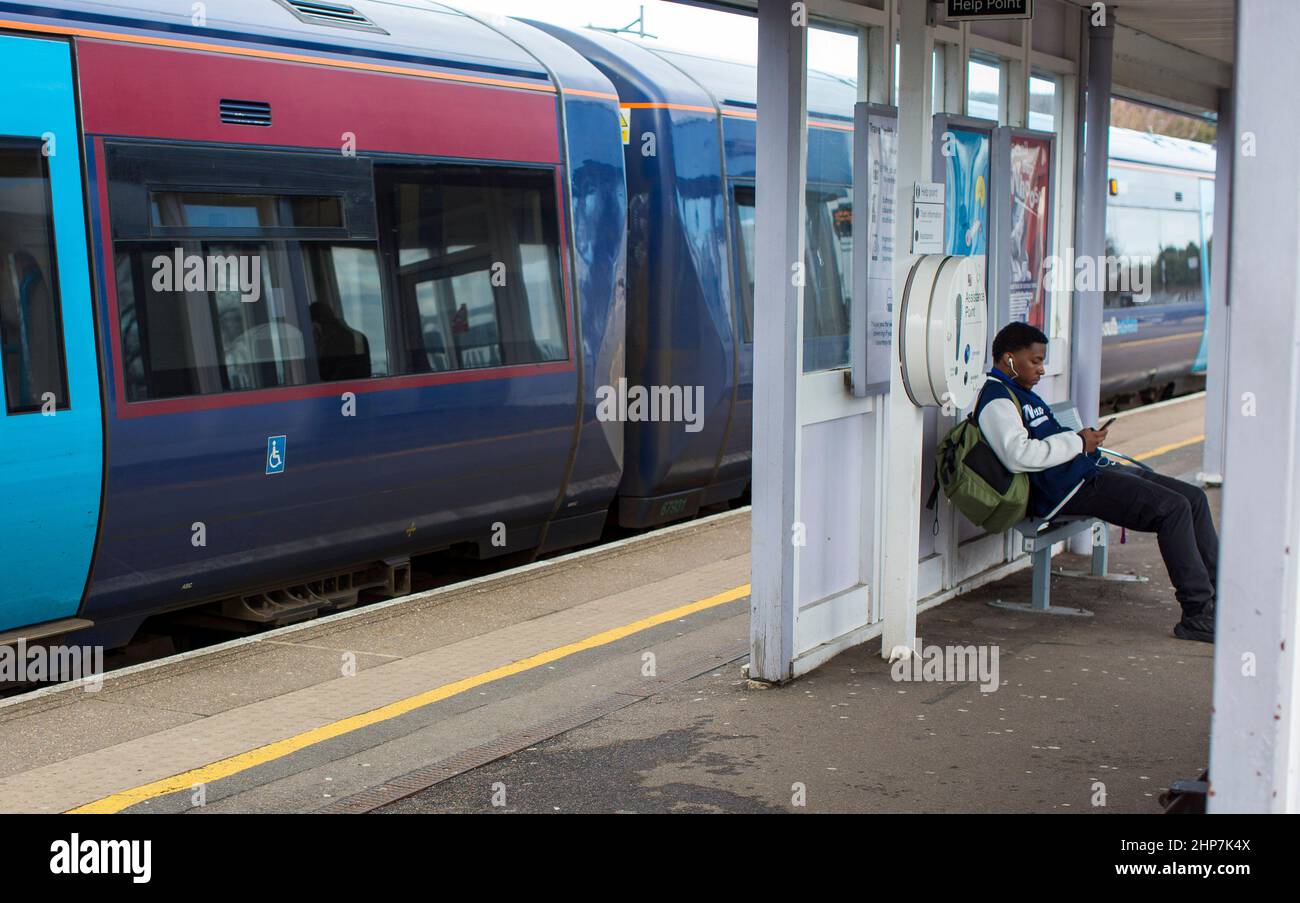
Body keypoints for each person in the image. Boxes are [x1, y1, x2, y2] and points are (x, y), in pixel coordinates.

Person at [975, 322, 1217, 643]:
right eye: (1035, 361)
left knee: (1193, 498)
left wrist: (1085, 442)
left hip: (1085, 473)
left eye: (1043, 361)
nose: (1042, 369)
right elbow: (1019, 455)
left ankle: (1219, 597)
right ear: (1008, 359)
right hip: (1067, 491)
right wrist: (1078, 443)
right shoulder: (997, 400)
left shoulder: (1021, 393)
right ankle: (1197, 612)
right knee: (1172, 509)